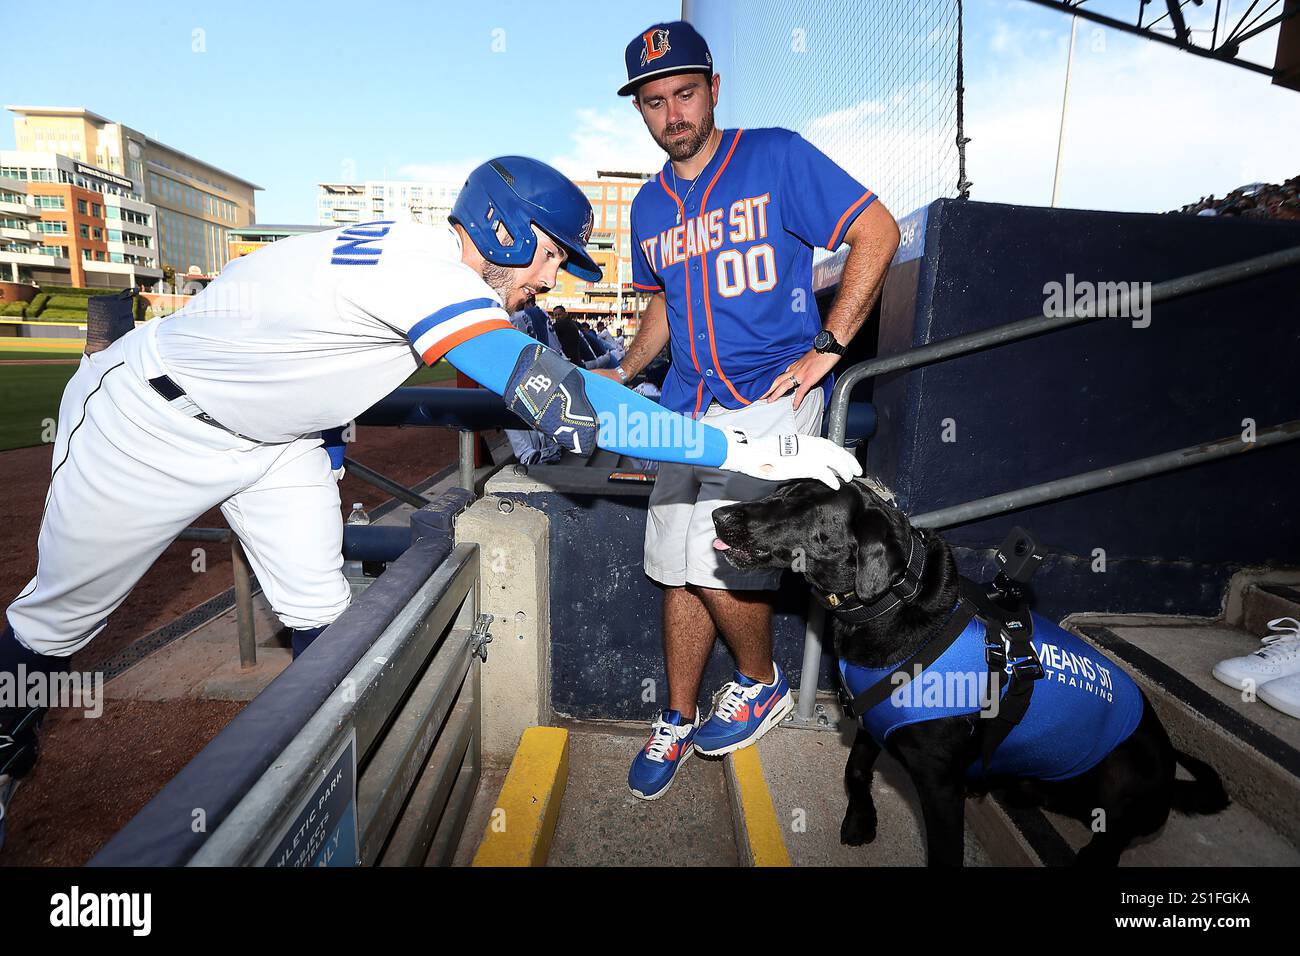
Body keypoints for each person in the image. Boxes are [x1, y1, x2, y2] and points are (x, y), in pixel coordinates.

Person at [0, 155, 861, 848]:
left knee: (329, 628)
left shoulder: (426, 260)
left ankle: (318, 817)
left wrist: (315, 417)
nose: (551, 278)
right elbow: (565, 401)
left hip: (273, 445)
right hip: (149, 421)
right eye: (552, 253)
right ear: (503, 228)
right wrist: (753, 445)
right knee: (56, 624)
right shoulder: (423, 270)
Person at [605, 20, 901, 801]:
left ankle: (761, 680)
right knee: (675, 569)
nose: (674, 114)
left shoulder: (775, 154)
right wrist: (617, 371)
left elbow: (877, 230)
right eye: (656, 101)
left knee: (714, 550)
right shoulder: (647, 206)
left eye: (686, 93)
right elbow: (664, 307)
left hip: (770, 398)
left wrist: (833, 344)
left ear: (713, 90)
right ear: (640, 108)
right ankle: (676, 716)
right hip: (685, 408)